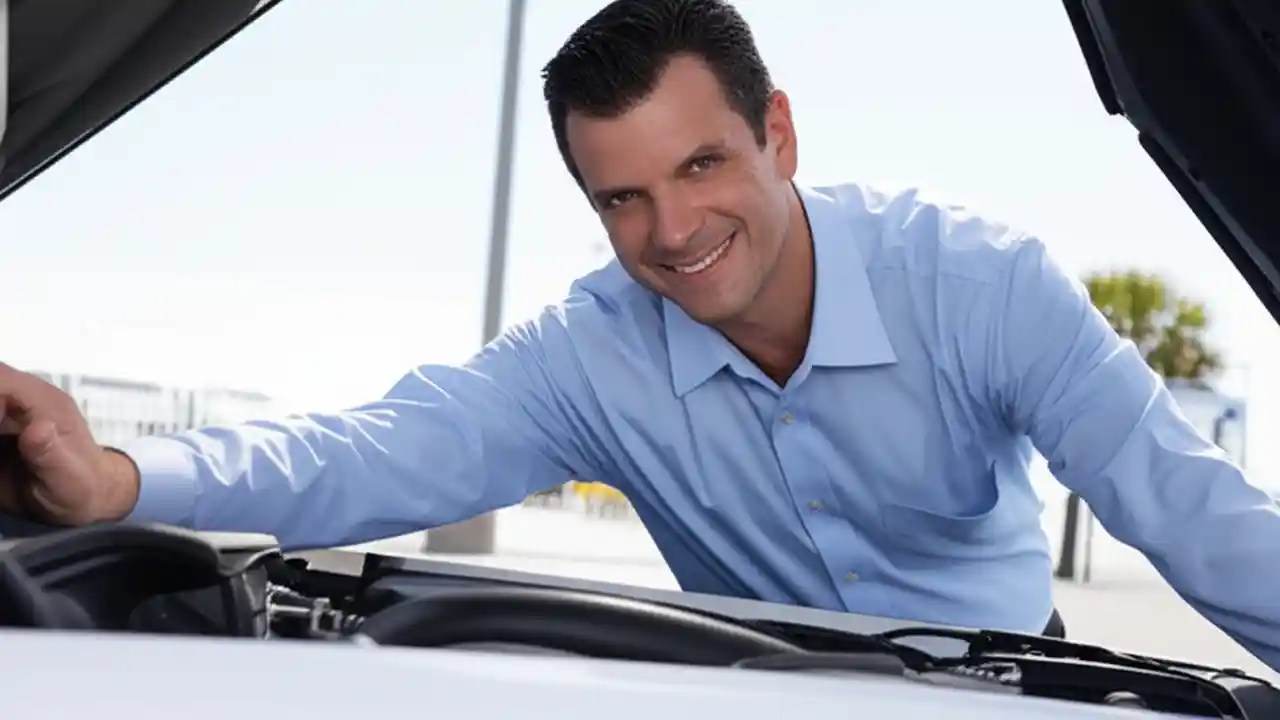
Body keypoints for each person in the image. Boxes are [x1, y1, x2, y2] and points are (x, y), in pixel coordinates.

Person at [2, 0, 1279, 667]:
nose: (670, 231)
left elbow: (1180, 505)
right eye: (621, 196)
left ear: (777, 133)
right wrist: (115, 477)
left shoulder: (979, 286)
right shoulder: (588, 355)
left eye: (703, 164)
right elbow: (371, 452)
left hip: (999, 686)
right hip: (740, 690)